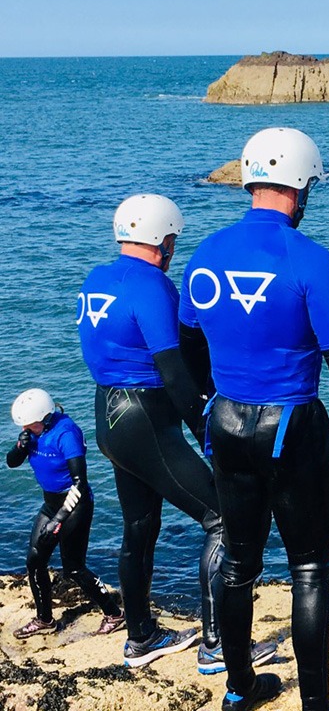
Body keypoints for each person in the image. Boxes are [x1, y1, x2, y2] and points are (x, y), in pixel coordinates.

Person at [179, 127, 329, 711]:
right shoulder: (310, 258)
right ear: (300, 187)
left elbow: (187, 343)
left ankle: (239, 688)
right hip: (292, 424)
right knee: (309, 568)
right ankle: (317, 705)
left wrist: (209, 404)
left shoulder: (207, 252)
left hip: (226, 421)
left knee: (239, 563)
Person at [78, 194, 275, 673]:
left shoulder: (96, 278)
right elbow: (175, 369)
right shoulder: (155, 288)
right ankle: (216, 646)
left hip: (108, 414)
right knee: (221, 518)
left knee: (139, 527)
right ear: (165, 239)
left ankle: (141, 637)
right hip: (147, 417)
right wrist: (207, 428)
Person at [7, 388, 124, 638]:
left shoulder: (66, 433)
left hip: (74, 504)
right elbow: (11, 462)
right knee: (35, 561)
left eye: (30, 424)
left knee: (73, 567)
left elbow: (80, 484)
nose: (27, 427)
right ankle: (44, 619)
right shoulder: (32, 432)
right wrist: (19, 447)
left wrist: (58, 521)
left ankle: (114, 613)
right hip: (50, 503)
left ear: (45, 416)